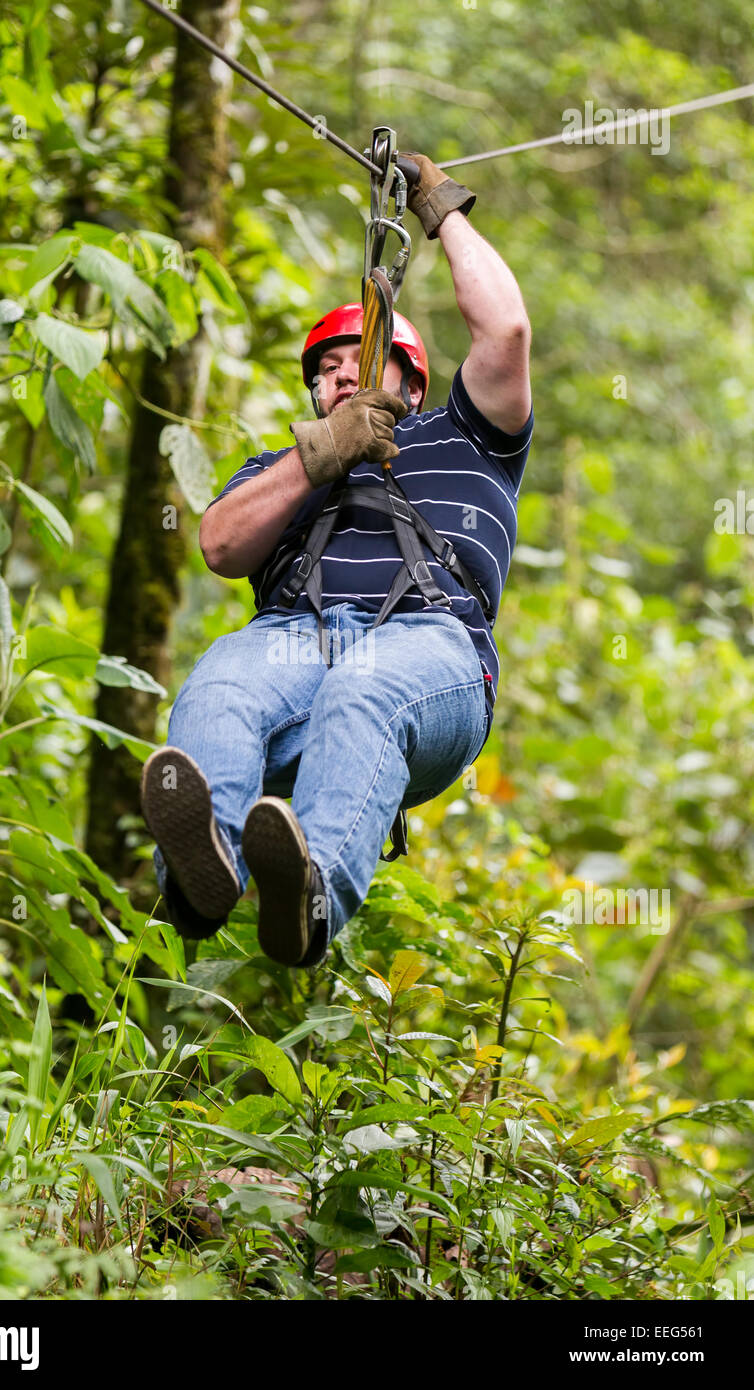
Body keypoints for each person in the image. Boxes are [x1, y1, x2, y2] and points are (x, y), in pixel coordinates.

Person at [141, 152, 533, 968]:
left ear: (413, 381)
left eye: (359, 358)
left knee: (366, 691)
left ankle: (312, 896)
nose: (339, 375)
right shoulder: (285, 466)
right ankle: (199, 878)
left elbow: (507, 331)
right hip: (297, 638)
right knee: (222, 682)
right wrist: (318, 456)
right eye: (325, 370)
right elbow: (219, 543)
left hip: (431, 648)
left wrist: (440, 209)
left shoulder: (471, 438)